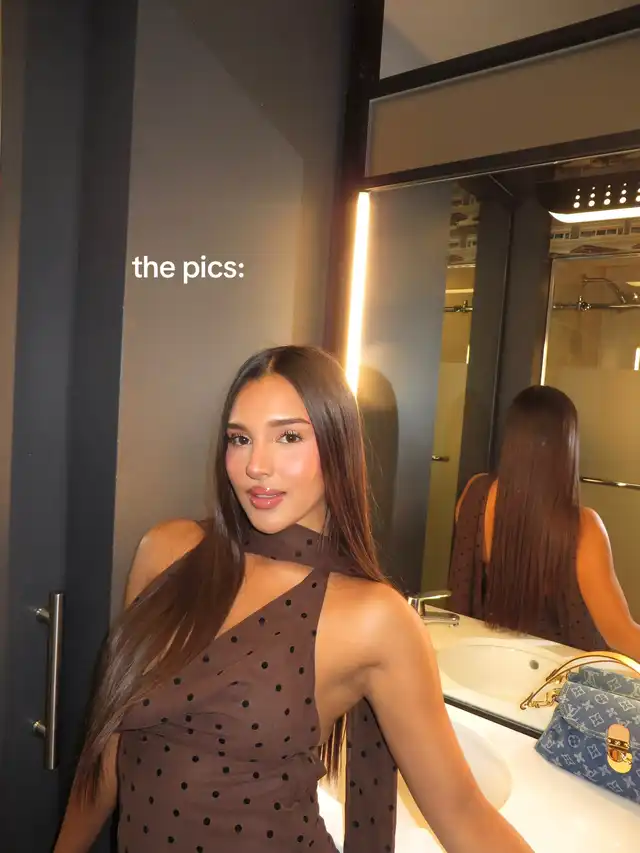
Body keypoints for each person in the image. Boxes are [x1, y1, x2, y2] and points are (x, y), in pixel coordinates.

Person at [54, 345, 534, 853]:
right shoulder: (166, 552)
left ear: (337, 445)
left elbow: (462, 812)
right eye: (240, 439)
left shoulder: (371, 617)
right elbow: (109, 747)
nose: (256, 466)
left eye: (288, 437)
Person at [449, 384, 640, 658]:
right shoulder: (583, 528)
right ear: (567, 446)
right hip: (550, 673)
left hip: (485, 658)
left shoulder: (474, 494)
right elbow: (622, 634)